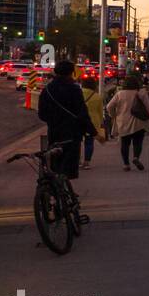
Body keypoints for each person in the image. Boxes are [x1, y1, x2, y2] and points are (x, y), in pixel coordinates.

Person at [38, 61, 101, 214]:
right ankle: (65, 195)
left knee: (56, 165)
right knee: (67, 169)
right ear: (71, 73)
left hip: (55, 134)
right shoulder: (74, 89)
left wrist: (55, 121)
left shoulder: (47, 90)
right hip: (72, 135)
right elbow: (82, 114)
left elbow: (42, 114)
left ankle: (57, 194)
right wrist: (93, 132)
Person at [106, 74, 149, 171]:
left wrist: (113, 115)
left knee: (125, 143)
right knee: (138, 142)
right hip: (139, 122)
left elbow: (109, 106)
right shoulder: (141, 93)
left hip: (123, 122)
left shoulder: (120, 94)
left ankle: (126, 164)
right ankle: (136, 158)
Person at [80, 79, 105, 169]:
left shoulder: (78, 93)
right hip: (93, 122)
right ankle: (87, 162)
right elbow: (100, 112)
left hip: (79, 121)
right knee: (89, 142)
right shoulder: (97, 97)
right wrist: (102, 123)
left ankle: (77, 161)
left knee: (77, 142)